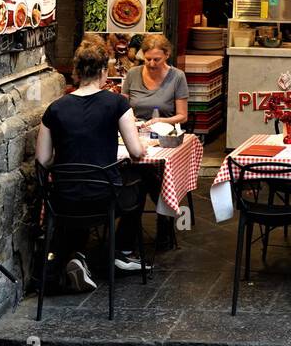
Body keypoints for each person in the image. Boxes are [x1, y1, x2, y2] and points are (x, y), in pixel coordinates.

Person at [35, 38, 148, 289]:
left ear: (76, 71)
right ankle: (116, 253)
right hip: (103, 197)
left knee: (78, 200)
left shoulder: (55, 108)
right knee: (140, 187)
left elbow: (42, 159)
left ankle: (77, 256)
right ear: (104, 72)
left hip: (63, 199)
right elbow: (136, 151)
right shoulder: (117, 103)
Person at [122, 34, 189, 127]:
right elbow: (122, 107)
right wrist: (129, 117)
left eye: (157, 60)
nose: (152, 64)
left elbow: (183, 117)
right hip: (136, 129)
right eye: (148, 59)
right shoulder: (133, 74)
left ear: (167, 55)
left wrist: (160, 121)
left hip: (164, 132)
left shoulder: (177, 76)